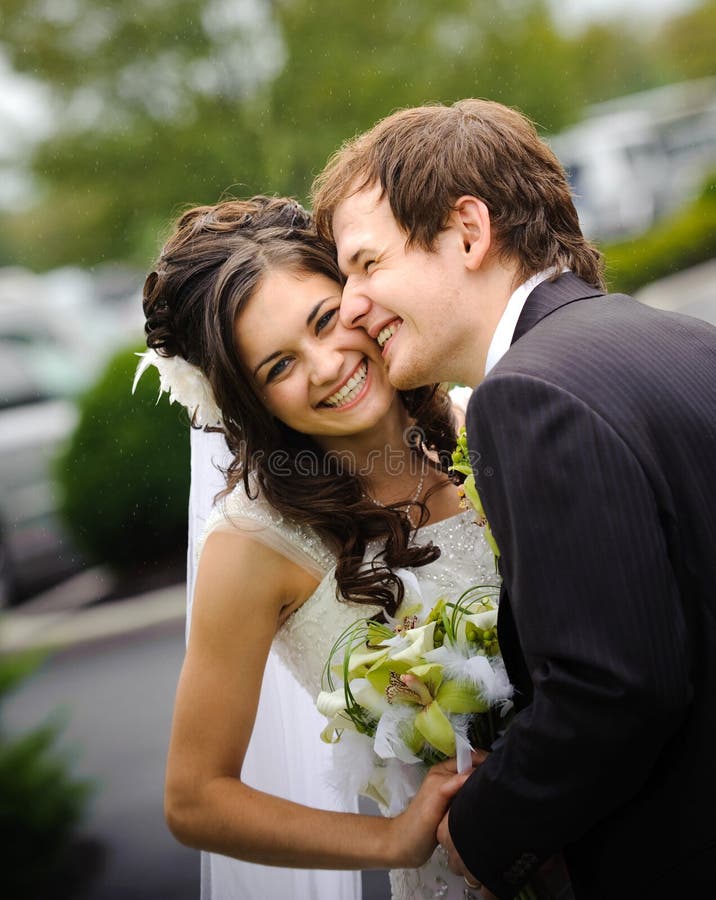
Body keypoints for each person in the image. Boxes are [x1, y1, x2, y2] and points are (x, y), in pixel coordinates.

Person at [311, 97, 716, 899]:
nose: (353, 307)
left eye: (366, 264)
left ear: (468, 230)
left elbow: (614, 687)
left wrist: (486, 827)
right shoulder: (681, 338)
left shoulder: (525, 396)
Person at [137, 194, 499, 900]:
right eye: (279, 366)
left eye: (326, 320)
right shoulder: (253, 545)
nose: (328, 366)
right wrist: (393, 838)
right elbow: (194, 798)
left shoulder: (486, 425)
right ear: (252, 401)